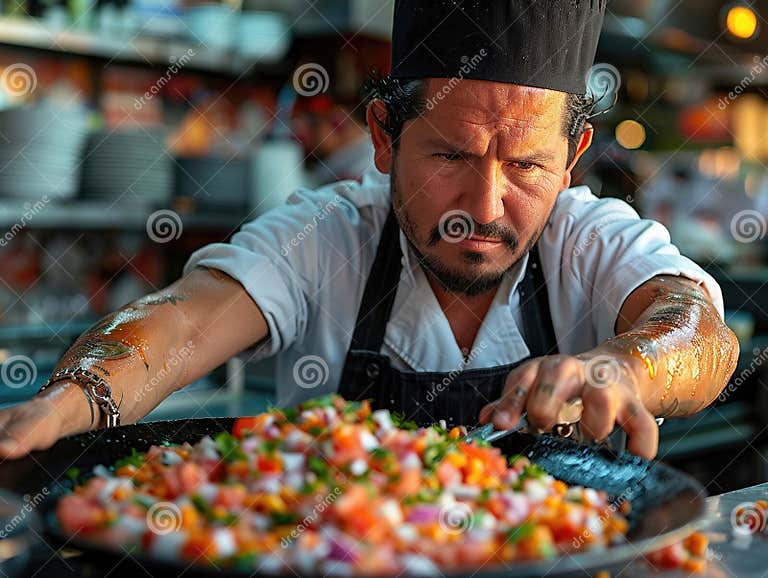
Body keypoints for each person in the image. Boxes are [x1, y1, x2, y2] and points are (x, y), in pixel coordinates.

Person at [0, 0, 738, 460]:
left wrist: (624, 367)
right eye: (450, 154)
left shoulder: (593, 240)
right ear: (384, 135)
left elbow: (698, 330)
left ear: (573, 159)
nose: (482, 207)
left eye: (525, 166)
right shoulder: (326, 237)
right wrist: (68, 403)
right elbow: (181, 323)